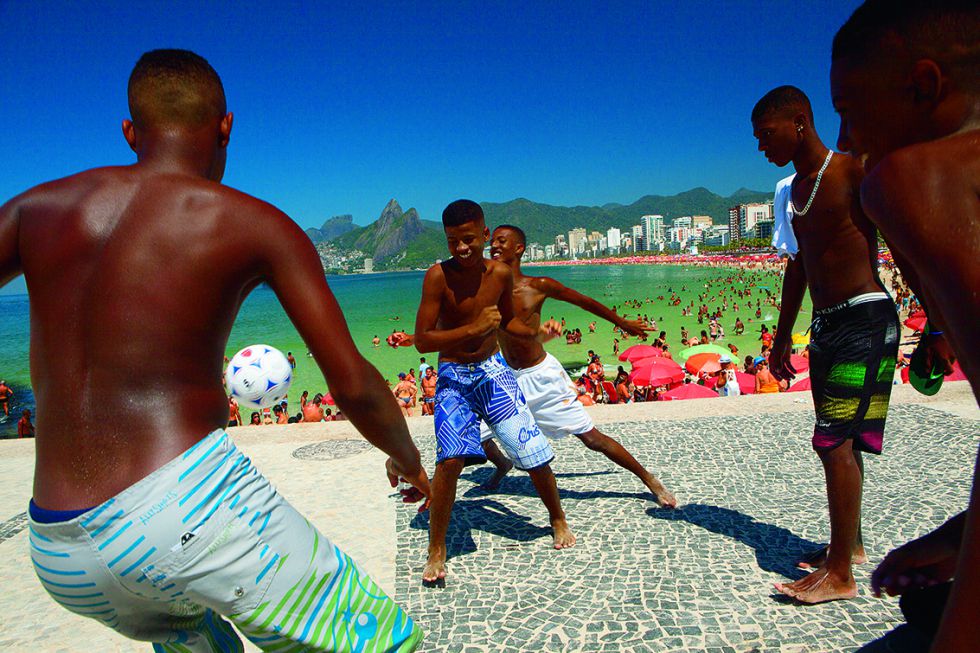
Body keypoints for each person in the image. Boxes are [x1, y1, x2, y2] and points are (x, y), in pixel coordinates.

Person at [0, 50, 427, 651]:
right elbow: (352, 381)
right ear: (226, 126)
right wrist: (410, 462)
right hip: (186, 511)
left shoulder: (30, 209)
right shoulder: (254, 222)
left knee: (198, 639)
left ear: (130, 131)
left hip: (58, 549)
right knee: (380, 642)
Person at [831, 2, 979, 648]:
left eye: (851, 108)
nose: (846, 138)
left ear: (923, 85)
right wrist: (959, 532)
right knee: (923, 609)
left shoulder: (911, 177)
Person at [753, 84, 899, 603]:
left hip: (866, 317)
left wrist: (940, 327)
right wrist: (779, 340)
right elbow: (799, 267)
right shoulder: (793, 190)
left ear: (799, 121)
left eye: (766, 135)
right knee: (841, 442)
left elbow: (901, 242)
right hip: (827, 326)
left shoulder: (852, 171)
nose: (761, 146)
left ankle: (840, 575)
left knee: (834, 440)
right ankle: (849, 546)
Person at [413, 199, 575, 584]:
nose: (461, 248)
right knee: (449, 461)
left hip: (492, 371)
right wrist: (471, 330)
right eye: (453, 240)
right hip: (453, 374)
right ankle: (437, 549)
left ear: (484, 235)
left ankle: (557, 517)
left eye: (468, 239)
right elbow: (422, 340)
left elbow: (510, 325)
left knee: (531, 451)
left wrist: (537, 333)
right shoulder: (437, 277)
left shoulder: (500, 274)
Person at [477, 225, 676, 507]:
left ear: (519, 248)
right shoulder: (487, 287)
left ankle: (648, 479)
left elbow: (584, 302)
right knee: (477, 430)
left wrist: (623, 323)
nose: (494, 245)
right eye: (493, 240)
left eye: (502, 241)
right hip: (505, 376)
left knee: (592, 439)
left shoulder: (537, 286)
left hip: (540, 377)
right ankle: (502, 465)